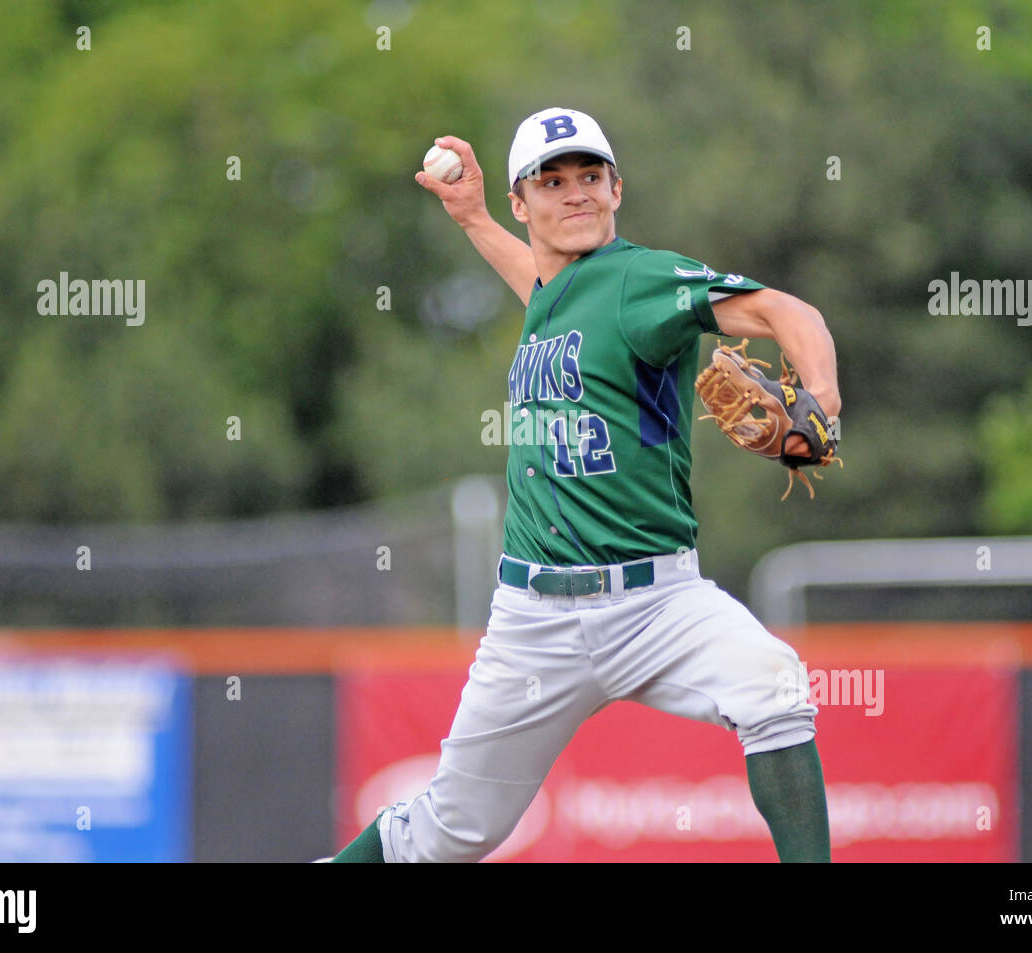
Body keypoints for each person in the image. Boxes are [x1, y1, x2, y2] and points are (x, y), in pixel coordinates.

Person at [331, 107, 840, 863]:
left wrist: (822, 402)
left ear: (616, 189)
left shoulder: (641, 277)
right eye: (553, 181)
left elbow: (786, 310)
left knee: (773, 689)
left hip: (656, 602)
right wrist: (469, 219)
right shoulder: (554, 292)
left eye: (590, 177)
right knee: (448, 831)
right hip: (531, 616)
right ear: (521, 202)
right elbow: (541, 283)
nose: (576, 194)